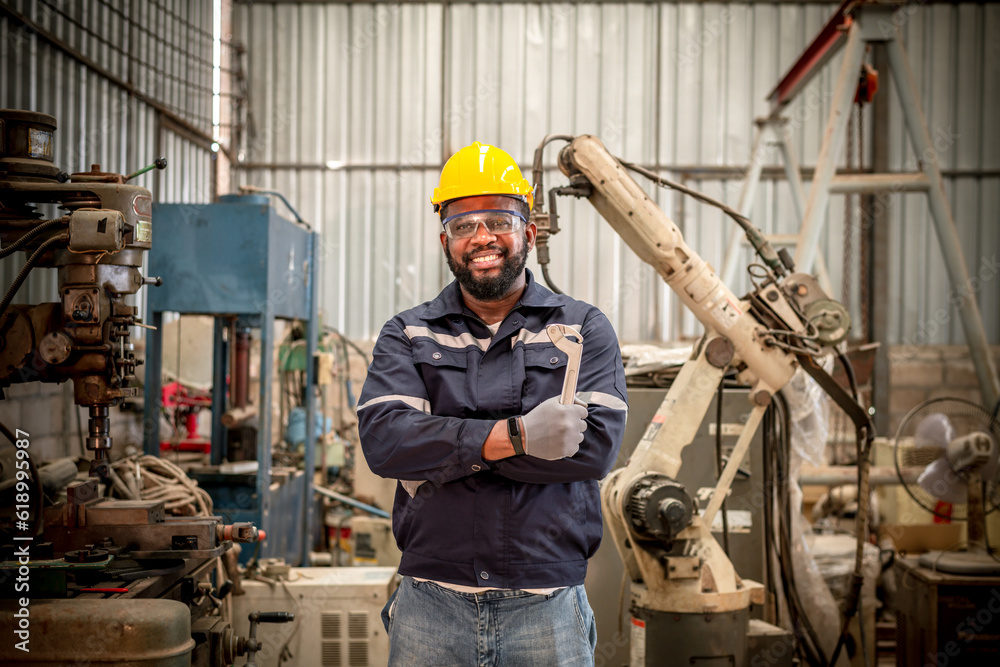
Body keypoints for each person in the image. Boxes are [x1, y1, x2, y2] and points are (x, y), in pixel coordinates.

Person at [358, 141, 628, 666]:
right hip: (430, 609)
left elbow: (592, 451)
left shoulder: (581, 328)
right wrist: (520, 437)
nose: (482, 237)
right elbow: (387, 445)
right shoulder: (408, 332)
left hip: (545, 609)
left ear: (528, 232)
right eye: (464, 225)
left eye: (498, 220)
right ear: (445, 241)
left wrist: (446, 452)